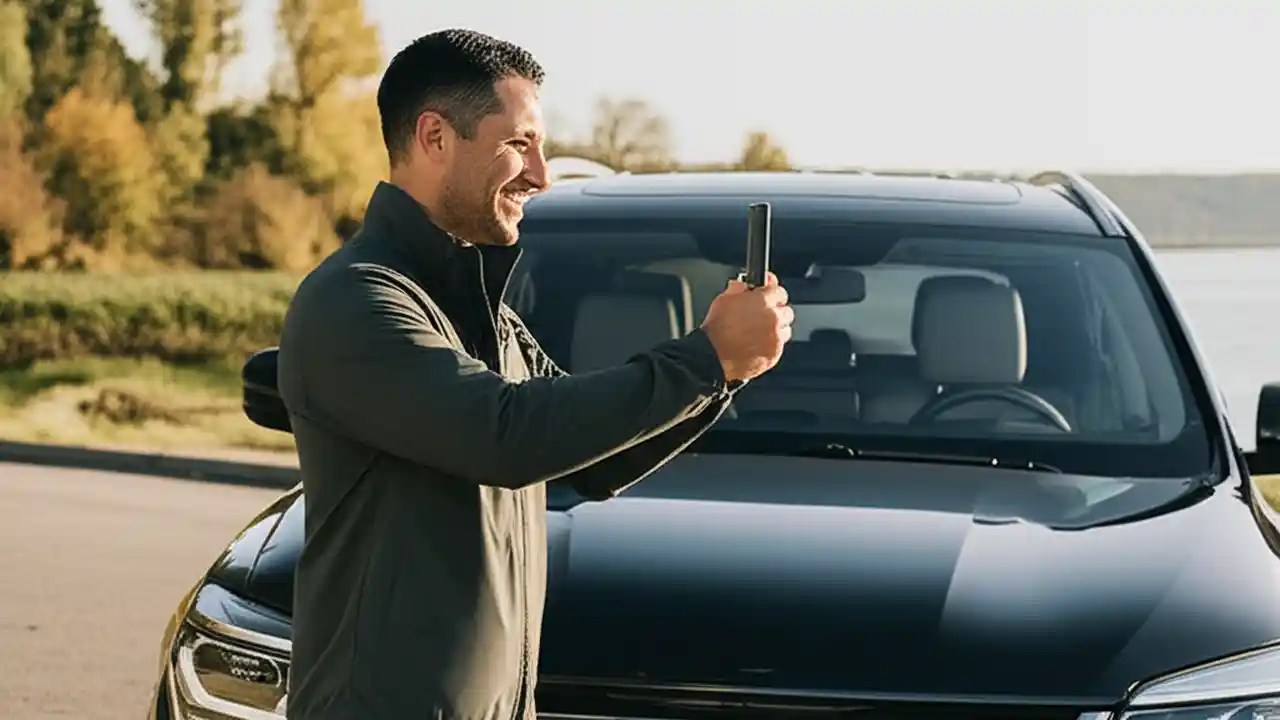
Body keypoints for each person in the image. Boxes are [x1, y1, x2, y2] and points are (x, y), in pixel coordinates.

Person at [276, 28, 793, 720]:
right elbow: (509, 438)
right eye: (519, 143)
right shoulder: (358, 300)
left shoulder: (483, 314)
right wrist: (704, 356)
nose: (541, 174)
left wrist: (723, 373)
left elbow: (592, 463)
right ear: (435, 137)